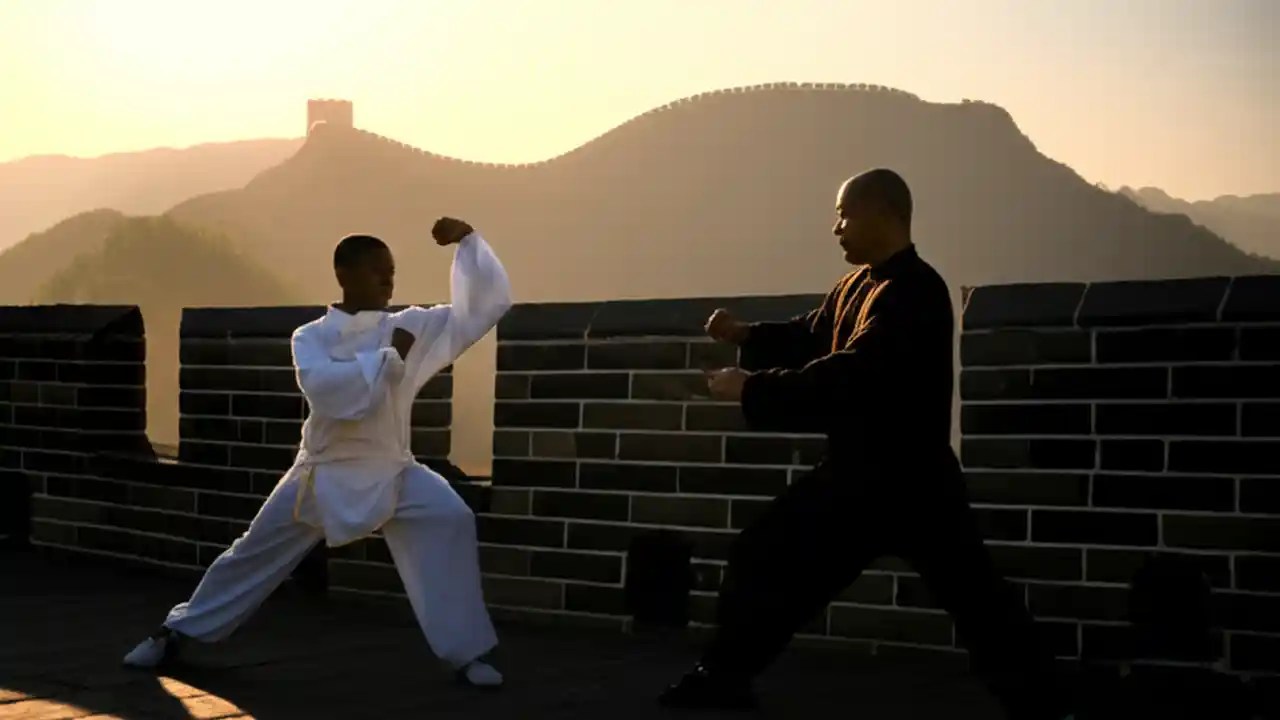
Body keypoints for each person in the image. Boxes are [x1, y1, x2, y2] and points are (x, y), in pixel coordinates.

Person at [658, 170, 1073, 720]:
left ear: (883, 213)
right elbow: (813, 333)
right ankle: (724, 678)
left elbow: (852, 374)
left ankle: (1045, 705)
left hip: (911, 479)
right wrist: (746, 335)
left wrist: (751, 388)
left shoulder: (916, 291)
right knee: (766, 556)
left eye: (845, 215)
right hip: (857, 477)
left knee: (978, 603)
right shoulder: (855, 286)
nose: (836, 228)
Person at [123, 217, 512, 689]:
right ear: (345, 276)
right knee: (251, 554)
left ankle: (467, 652)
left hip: (392, 468)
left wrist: (468, 244)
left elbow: (479, 310)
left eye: (391, 271)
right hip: (321, 473)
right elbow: (328, 392)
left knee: (450, 516)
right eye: (377, 272)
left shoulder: (409, 325)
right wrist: (388, 359)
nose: (389, 281)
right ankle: (175, 633)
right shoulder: (310, 338)